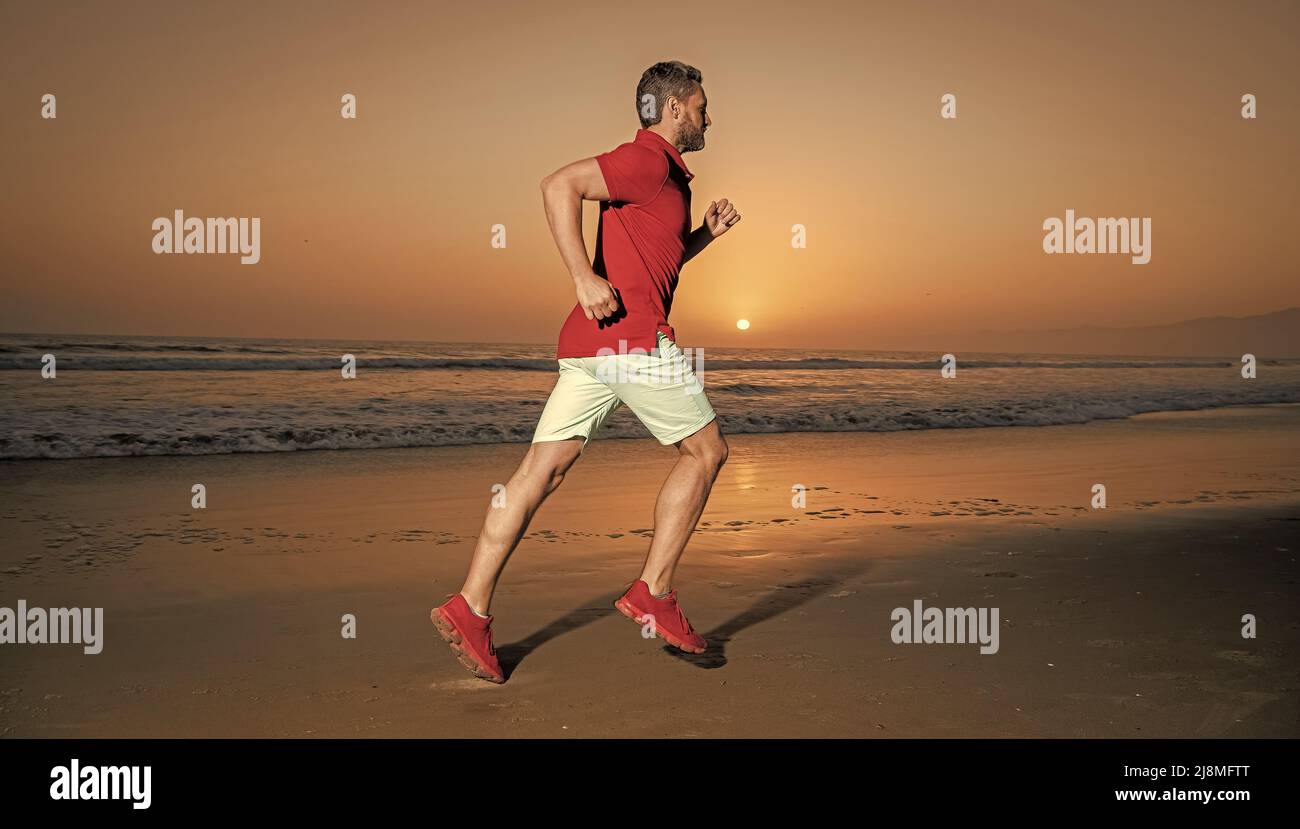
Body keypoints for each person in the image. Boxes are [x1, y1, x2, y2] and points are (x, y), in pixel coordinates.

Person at [432, 60, 742, 683]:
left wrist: (703, 235)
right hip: (631, 340)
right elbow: (557, 185)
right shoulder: (648, 159)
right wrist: (581, 275)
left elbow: (654, 258)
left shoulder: (663, 180)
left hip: (593, 345)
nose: (710, 116)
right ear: (676, 107)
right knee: (706, 454)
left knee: (538, 474)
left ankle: (470, 606)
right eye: (703, 105)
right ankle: (653, 590)